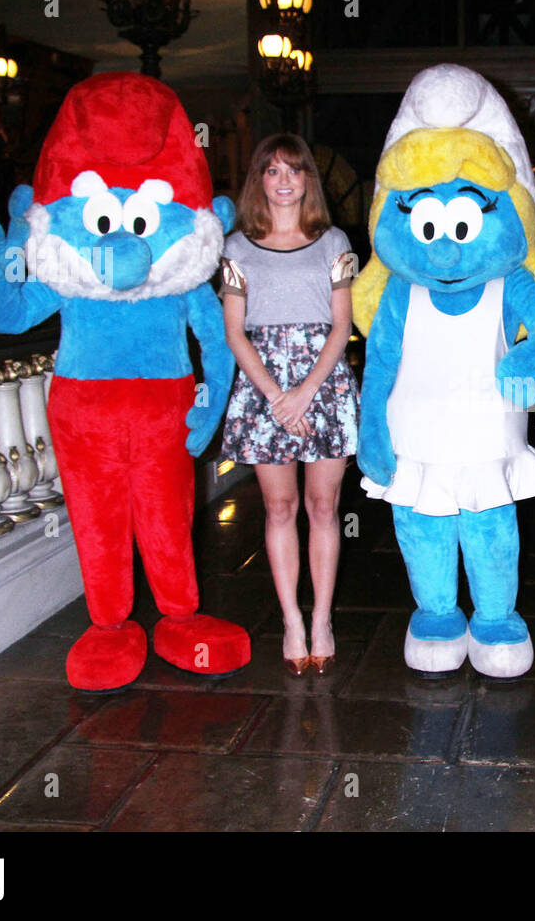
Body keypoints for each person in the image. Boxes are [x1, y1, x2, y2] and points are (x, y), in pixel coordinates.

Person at [219, 134, 359, 677]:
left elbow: (342, 325)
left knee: (323, 508)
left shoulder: (333, 241)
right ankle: (291, 621)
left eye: (293, 171)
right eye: (272, 171)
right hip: (262, 387)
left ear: (307, 180)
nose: (283, 181)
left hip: (323, 383)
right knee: (279, 509)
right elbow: (235, 333)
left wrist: (305, 392)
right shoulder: (237, 246)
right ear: (260, 180)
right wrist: (277, 396)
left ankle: (322, 618)